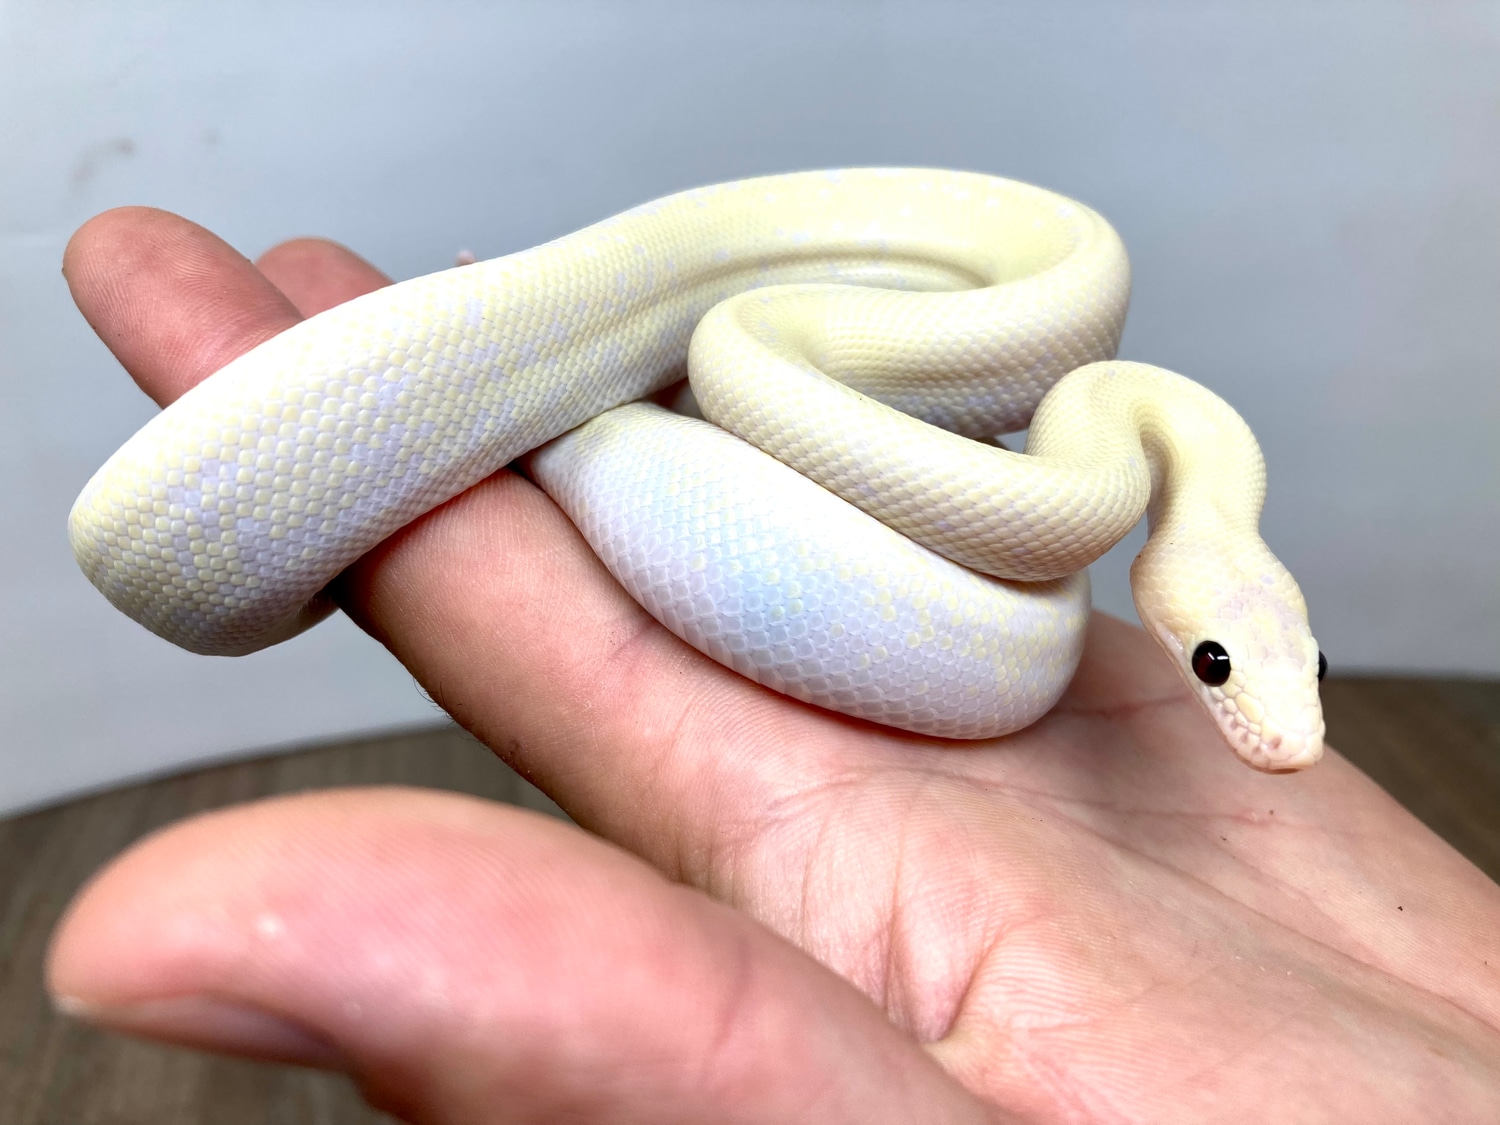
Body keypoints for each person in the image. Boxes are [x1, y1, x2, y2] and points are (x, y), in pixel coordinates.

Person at [48, 207, 1500, 1123]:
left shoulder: (1104, 475)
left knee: (702, 408)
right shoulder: (1055, 416)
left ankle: (559, 410)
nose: (1260, 714)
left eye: (1239, 664)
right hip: (744, 352)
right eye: (1221, 661)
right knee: (705, 361)